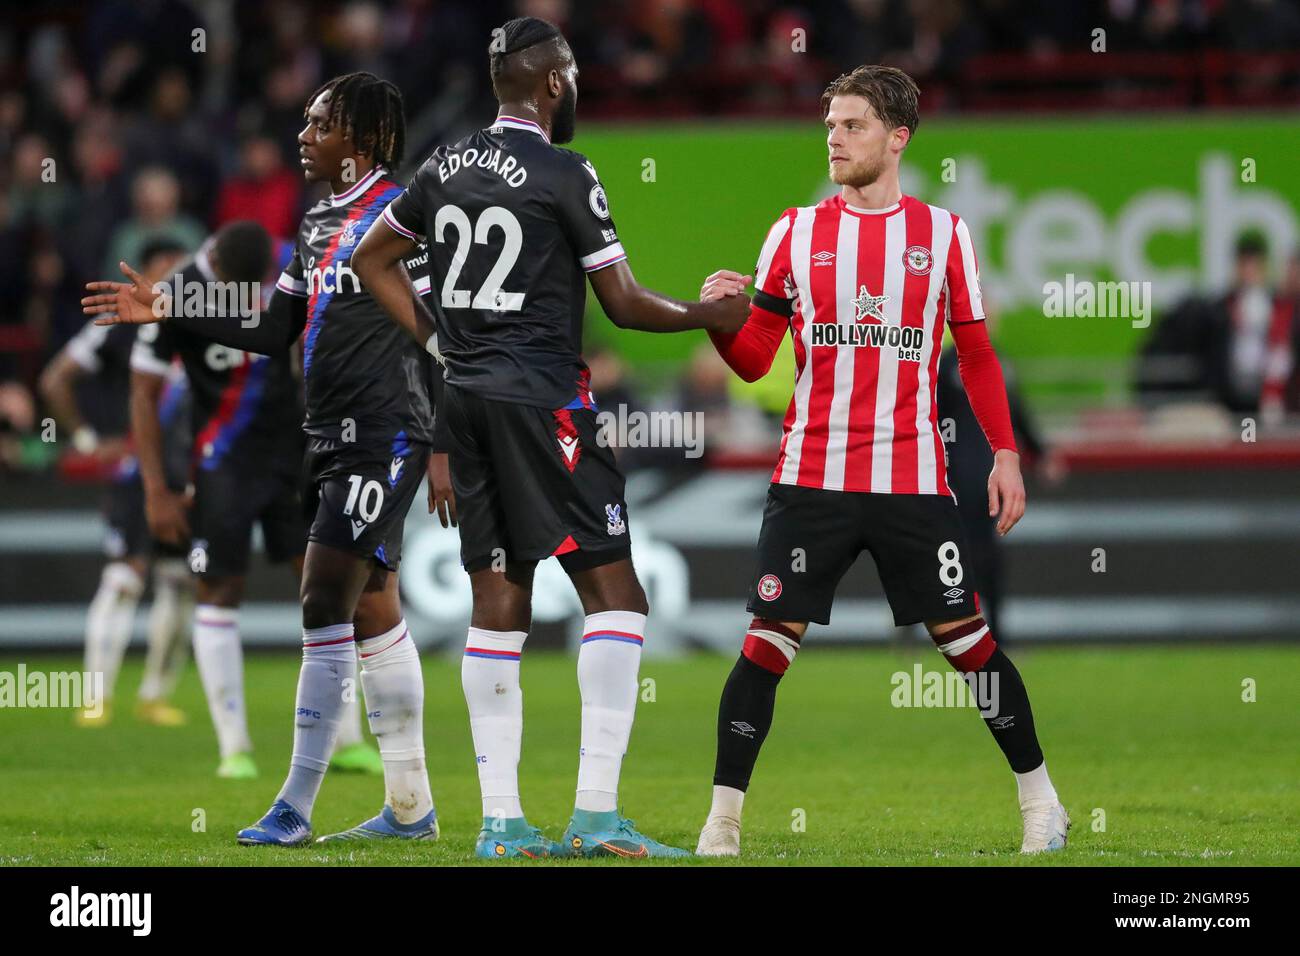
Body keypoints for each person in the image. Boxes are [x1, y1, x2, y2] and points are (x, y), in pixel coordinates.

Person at [352, 16, 748, 858]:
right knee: (617, 596)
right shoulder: (566, 172)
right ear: (555, 83)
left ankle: (501, 824)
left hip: (463, 404)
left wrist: (439, 343)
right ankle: (596, 816)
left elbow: (369, 262)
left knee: (497, 604)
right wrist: (710, 314)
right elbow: (626, 304)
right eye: (575, 76)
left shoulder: (442, 165)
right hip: (543, 404)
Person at [693, 65, 1068, 856]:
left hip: (912, 481)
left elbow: (978, 356)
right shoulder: (793, 232)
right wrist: (718, 320)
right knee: (765, 643)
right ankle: (722, 820)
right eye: (830, 123)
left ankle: (1042, 803)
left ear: (897, 138)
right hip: (810, 479)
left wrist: (1006, 452)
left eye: (853, 124)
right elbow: (758, 359)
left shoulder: (944, 235)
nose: (835, 137)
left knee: (969, 645)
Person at [83, 73, 446, 845]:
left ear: (364, 136)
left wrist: (448, 442)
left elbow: (444, 335)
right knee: (375, 605)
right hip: (328, 434)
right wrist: (173, 304)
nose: (304, 135)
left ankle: (295, 803)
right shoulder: (315, 223)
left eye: (320, 124)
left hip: (389, 431)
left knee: (321, 599)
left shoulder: (409, 214)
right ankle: (411, 807)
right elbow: (271, 327)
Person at [39, 238, 195, 728]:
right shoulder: (115, 325)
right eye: (162, 269)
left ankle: (154, 695)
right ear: (140, 273)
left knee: (182, 582)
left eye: (180, 269)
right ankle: (95, 694)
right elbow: (55, 379)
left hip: (190, 475)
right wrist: (87, 440)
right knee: (126, 576)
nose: (171, 279)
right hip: (136, 471)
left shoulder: (205, 326)